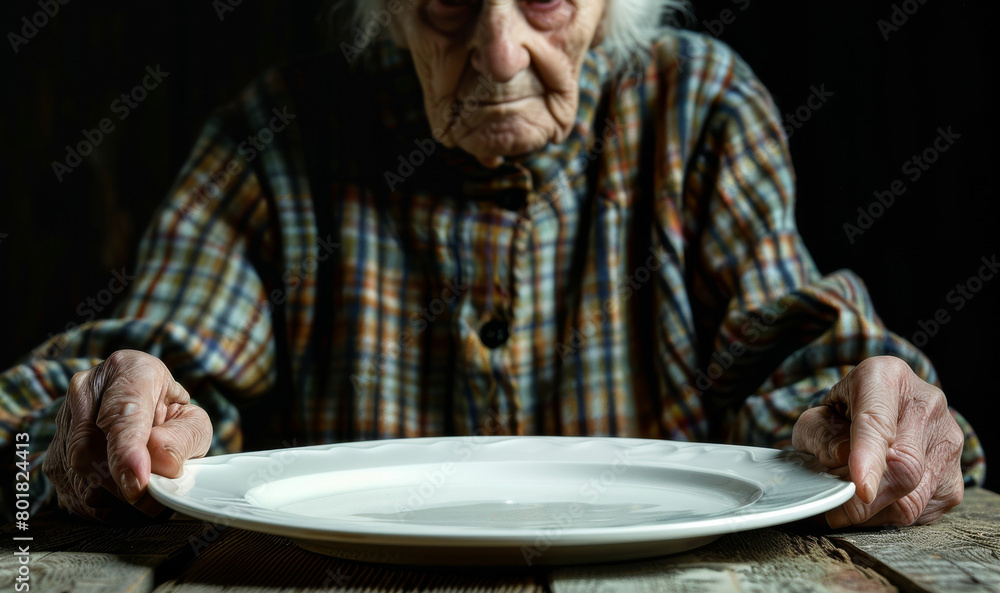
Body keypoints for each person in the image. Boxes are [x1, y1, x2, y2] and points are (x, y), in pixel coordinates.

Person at [0, 0, 984, 528]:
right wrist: (99, 430)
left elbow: (796, 365)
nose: (500, 52)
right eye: (446, 4)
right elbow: (124, 392)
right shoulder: (276, 140)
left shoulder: (699, 110)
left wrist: (861, 423)